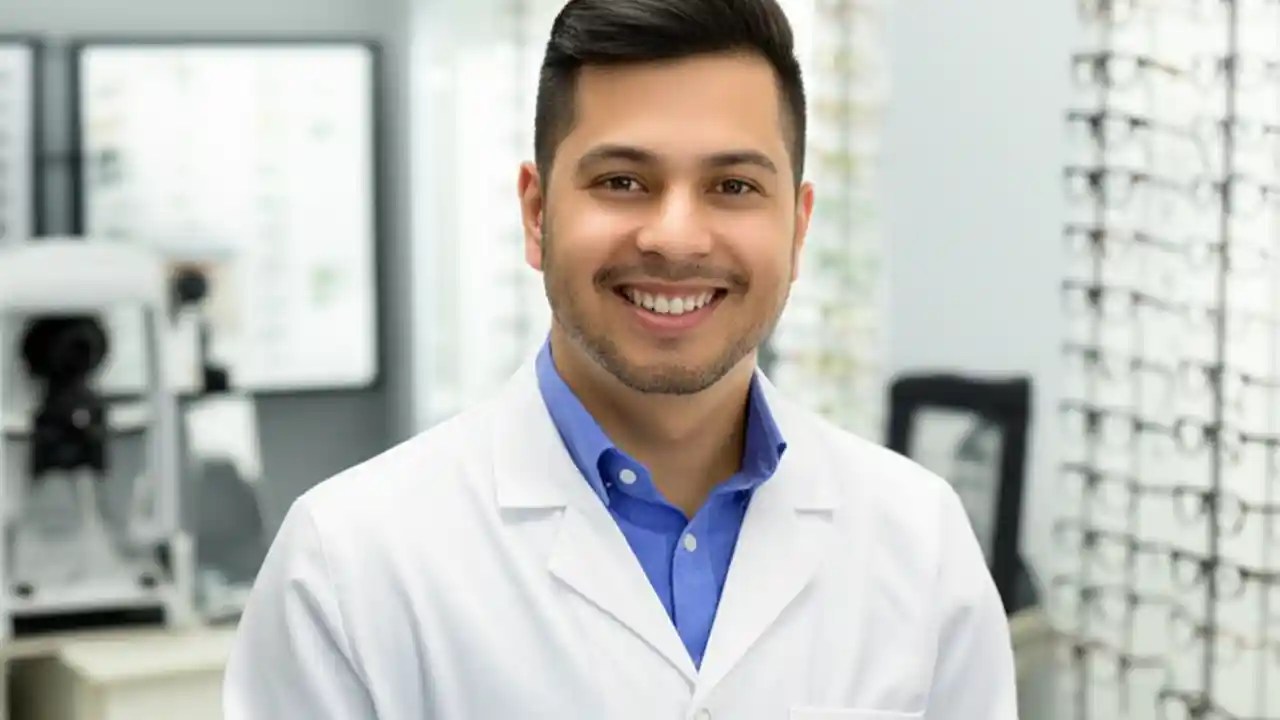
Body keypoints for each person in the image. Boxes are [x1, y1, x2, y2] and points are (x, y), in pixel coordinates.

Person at [222, 0, 1019, 717]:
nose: (675, 236)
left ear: (798, 227)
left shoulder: (920, 542)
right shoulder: (348, 563)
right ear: (537, 215)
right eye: (623, 180)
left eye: (734, 186)